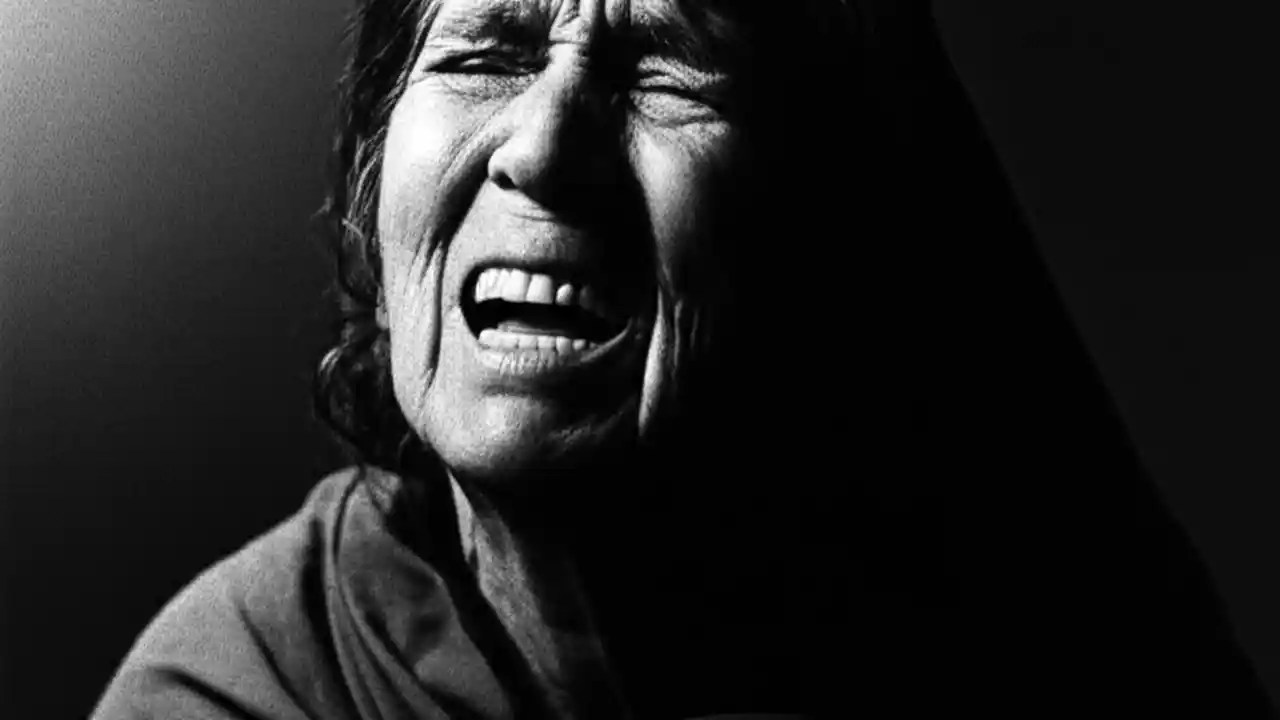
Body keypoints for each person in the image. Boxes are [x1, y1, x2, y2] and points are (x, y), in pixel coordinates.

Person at [92, 0, 1275, 718]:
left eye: (662, 69)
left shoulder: (1053, 659)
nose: (544, 149)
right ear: (373, 181)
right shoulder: (245, 681)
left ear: (828, 219)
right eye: (484, 51)